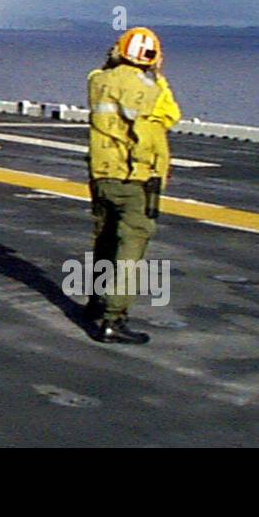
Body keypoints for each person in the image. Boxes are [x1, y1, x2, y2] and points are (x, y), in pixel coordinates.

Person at [85, 26, 181, 344]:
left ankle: (96, 303)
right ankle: (114, 320)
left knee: (105, 239)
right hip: (132, 177)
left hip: (101, 175)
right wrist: (151, 168)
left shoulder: (97, 80)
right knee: (131, 247)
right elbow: (166, 117)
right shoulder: (148, 87)